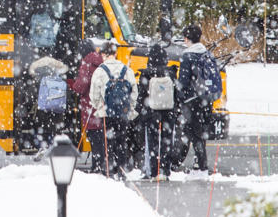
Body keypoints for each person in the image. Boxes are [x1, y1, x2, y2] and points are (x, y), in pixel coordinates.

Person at [89, 39, 138, 178]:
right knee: (122, 141)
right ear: (116, 53)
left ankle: (110, 171)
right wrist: (129, 107)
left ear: (103, 54)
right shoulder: (126, 69)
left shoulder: (100, 71)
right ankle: (122, 169)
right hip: (123, 113)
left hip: (107, 113)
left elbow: (94, 94)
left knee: (108, 142)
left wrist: (100, 107)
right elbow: (134, 92)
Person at [177, 24, 212, 176]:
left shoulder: (187, 56)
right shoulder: (206, 54)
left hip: (191, 100)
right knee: (200, 131)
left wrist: (180, 96)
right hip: (206, 98)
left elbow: (183, 82)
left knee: (190, 131)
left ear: (187, 38)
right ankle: (199, 163)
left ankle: (202, 164)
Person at [137, 43, 176, 180]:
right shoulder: (171, 73)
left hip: (151, 113)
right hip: (168, 112)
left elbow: (141, 96)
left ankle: (153, 171)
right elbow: (177, 94)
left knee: (152, 143)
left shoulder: (146, 74)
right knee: (167, 142)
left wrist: (140, 112)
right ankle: (165, 171)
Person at [69, 39, 104, 172]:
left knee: (94, 137)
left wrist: (71, 84)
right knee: (99, 137)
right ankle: (101, 163)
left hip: (90, 105)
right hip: (99, 105)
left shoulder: (87, 63)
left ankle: (97, 166)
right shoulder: (99, 61)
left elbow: (81, 86)